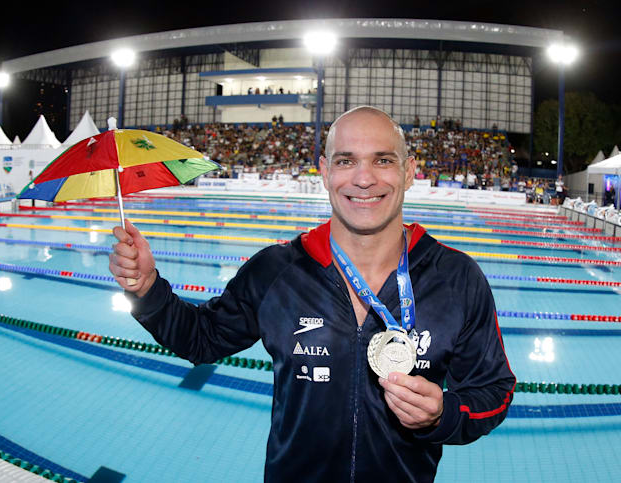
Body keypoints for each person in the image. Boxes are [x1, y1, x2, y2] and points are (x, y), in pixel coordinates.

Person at [109, 106, 515, 482]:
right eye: (346, 160)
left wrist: (444, 415)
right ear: (324, 171)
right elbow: (199, 339)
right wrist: (147, 290)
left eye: (383, 160)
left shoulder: (457, 278)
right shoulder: (277, 270)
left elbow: (494, 389)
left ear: (409, 171)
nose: (364, 178)